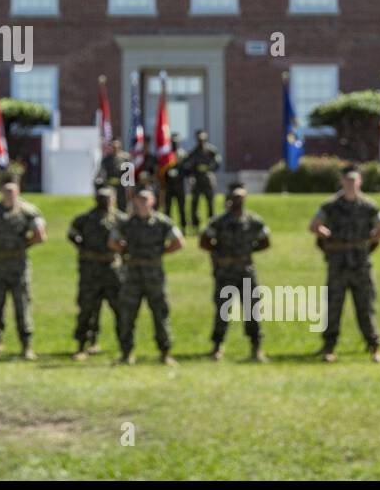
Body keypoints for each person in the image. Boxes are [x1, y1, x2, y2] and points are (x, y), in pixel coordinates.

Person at [309, 164, 380, 362]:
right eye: (347, 180)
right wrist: (327, 234)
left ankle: (373, 345)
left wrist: (367, 240)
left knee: (365, 305)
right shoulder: (330, 206)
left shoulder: (369, 206)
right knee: (333, 306)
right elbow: (314, 225)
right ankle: (329, 346)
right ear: (342, 181)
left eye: (354, 180)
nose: (351, 184)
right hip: (338, 263)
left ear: (359, 181)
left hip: (361, 263)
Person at [0, 179, 47, 360]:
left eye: (12, 191)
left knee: (23, 305)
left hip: (19, 268)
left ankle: (26, 346)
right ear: (0, 192)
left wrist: (24, 245)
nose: (9, 195)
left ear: (18, 192)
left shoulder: (28, 211)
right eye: (6, 191)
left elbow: (40, 235)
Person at [109, 186, 183, 366]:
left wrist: (161, 252)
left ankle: (165, 352)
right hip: (132, 275)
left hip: (154, 275)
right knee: (127, 314)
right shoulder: (126, 223)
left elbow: (179, 242)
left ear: (152, 202)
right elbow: (112, 241)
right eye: (138, 200)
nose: (141, 204)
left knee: (160, 313)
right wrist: (125, 250)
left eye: (145, 200)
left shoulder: (162, 222)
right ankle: (126, 353)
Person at [199, 183, 270, 362]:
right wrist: (218, 253)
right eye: (235, 197)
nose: (238, 201)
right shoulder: (219, 221)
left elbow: (265, 241)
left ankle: (256, 346)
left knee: (252, 309)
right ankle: (217, 346)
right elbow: (204, 241)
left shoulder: (253, 221)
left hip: (246, 270)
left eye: (241, 197)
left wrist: (249, 251)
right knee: (223, 309)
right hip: (225, 272)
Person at [66, 186, 125, 360]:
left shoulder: (121, 219)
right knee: (87, 309)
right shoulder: (85, 219)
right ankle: (82, 345)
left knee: (120, 308)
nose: (105, 202)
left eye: (108, 199)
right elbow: (71, 234)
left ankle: (125, 346)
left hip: (113, 269)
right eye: (101, 199)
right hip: (90, 270)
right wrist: (81, 246)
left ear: (113, 200)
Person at [180, 129, 221, 229]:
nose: (201, 141)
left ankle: (211, 224)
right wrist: (191, 174)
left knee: (210, 204)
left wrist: (209, 169)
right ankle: (195, 224)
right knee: (195, 204)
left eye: (203, 139)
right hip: (197, 181)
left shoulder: (211, 151)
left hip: (208, 180)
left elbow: (218, 162)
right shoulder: (193, 152)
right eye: (199, 140)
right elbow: (186, 164)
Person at [161, 133, 188, 232]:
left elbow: (186, 169)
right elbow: (162, 171)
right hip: (169, 185)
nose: (174, 143)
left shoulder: (183, 154)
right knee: (168, 209)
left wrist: (179, 174)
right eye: (173, 142)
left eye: (176, 142)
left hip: (180, 185)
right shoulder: (166, 155)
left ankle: (184, 228)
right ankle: (167, 228)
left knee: (182, 208)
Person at [95, 139, 128, 209]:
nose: (115, 149)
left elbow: (128, 173)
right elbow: (102, 172)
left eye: (117, 147)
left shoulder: (125, 158)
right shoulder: (106, 159)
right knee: (108, 202)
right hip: (109, 184)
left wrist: (128, 186)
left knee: (122, 204)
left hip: (121, 186)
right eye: (113, 147)